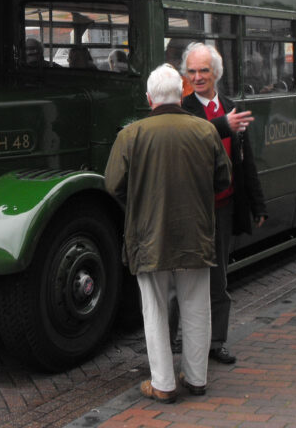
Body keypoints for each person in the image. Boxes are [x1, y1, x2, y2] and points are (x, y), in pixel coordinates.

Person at [104, 64, 231, 403]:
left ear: (149, 99)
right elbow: (223, 180)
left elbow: (113, 185)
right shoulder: (205, 131)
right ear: (182, 94)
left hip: (149, 236)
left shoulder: (131, 135)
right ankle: (197, 378)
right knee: (197, 305)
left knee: (156, 309)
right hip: (196, 234)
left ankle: (163, 383)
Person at [179, 42, 268, 365]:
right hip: (194, 209)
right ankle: (182, 339)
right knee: (187, 277)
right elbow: (188, 137)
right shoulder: (183, 109)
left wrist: (258, 204)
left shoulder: (230, 107)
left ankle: (216, 341)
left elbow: (246, 161)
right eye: (191, 71)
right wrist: (221, 126)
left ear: (215, 72)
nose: (197, 77)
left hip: (224, 206)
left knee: (219, 278)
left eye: (203, 70)